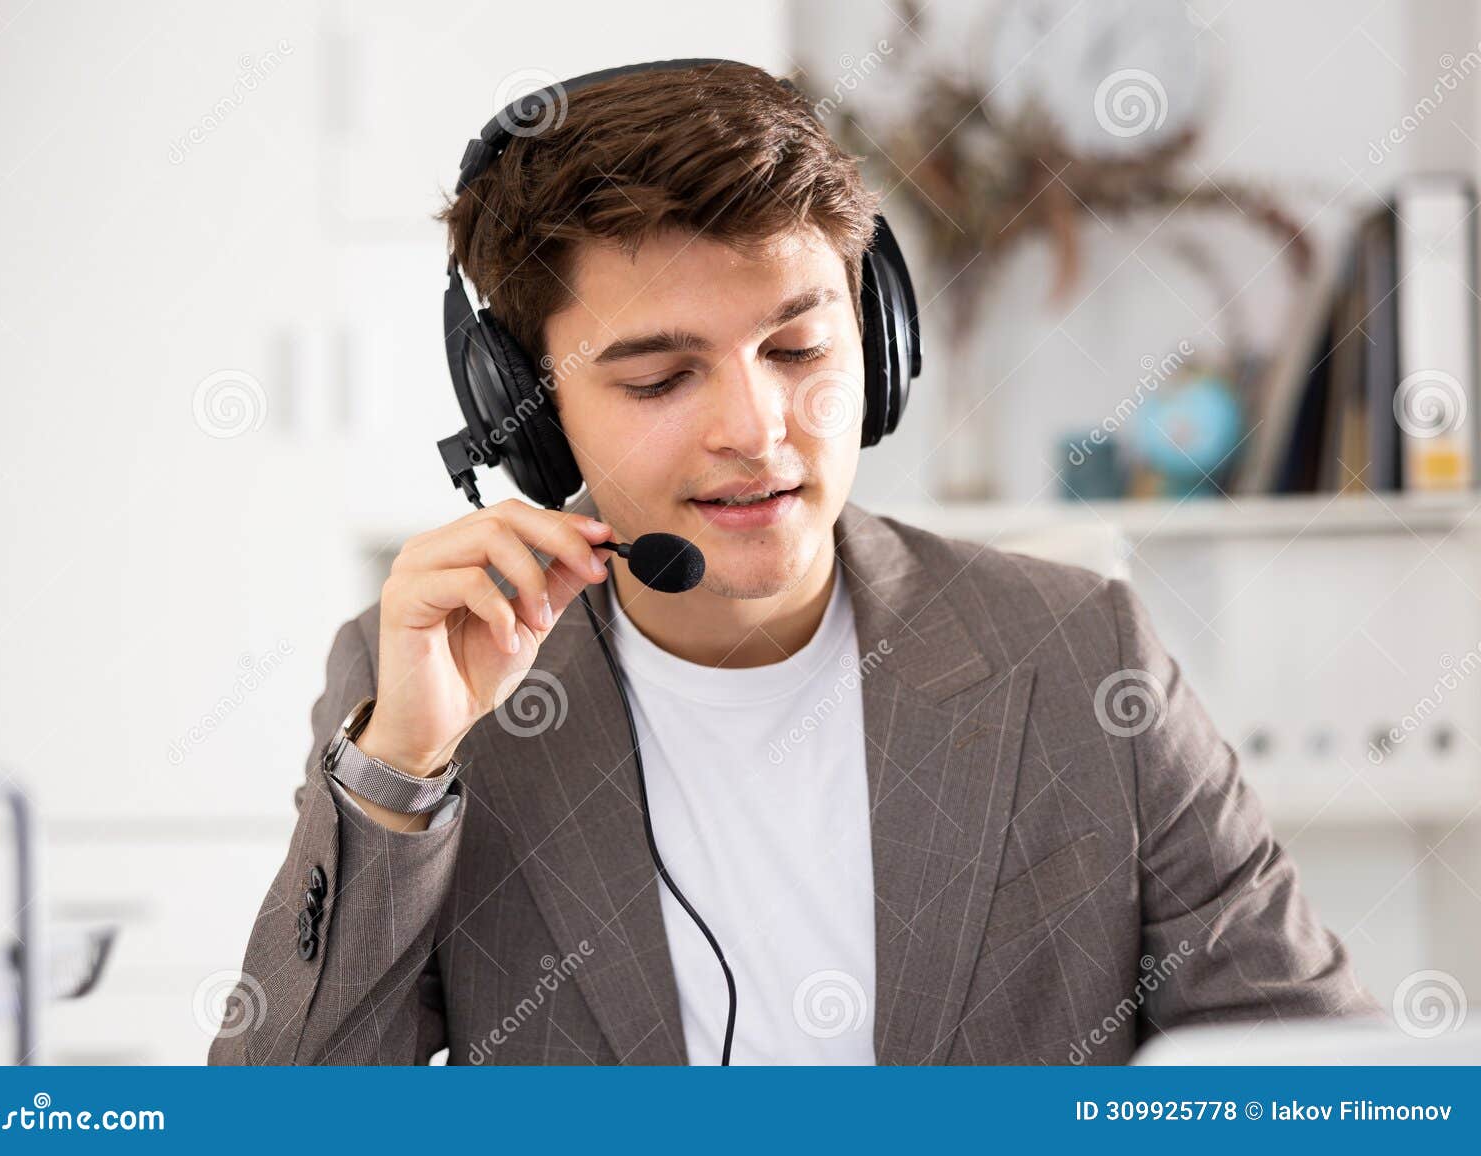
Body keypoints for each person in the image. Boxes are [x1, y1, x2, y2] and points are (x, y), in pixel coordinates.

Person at [209, 61, 1381, 1066]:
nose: (758, 429)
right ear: (532, 418)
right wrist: (399, 771)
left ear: (877, 347)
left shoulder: (1079, 653)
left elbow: (1319, 1081)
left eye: (799, 345)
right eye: (661, 378)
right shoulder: (423, 688)